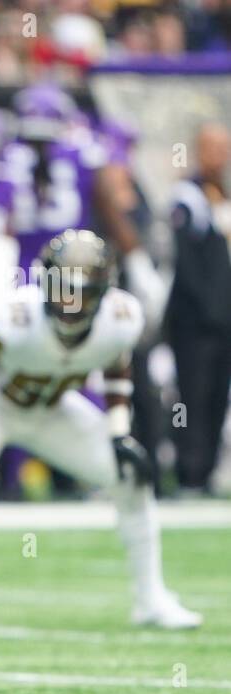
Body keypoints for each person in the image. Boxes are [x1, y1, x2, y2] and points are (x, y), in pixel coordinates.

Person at [0, 230, 202, 631]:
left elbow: (116, 366)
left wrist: (120, 431)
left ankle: (151, 599)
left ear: (103, 291)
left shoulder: (121, 317)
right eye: (66, 289)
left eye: (85, 292)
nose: (73, 303)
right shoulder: (17, 316)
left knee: (131, 479)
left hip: (52, 411)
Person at [166, 122, 231, 495]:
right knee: (191, 395)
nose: (219, 155)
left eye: (224, 148)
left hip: (223, 320)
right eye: (212, 148)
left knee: (217, 396)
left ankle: (206, 470)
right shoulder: (188, 196)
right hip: (195, 320)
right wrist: (210, 309)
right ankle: (189, 471)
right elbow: (187, 262)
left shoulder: (221, 192)